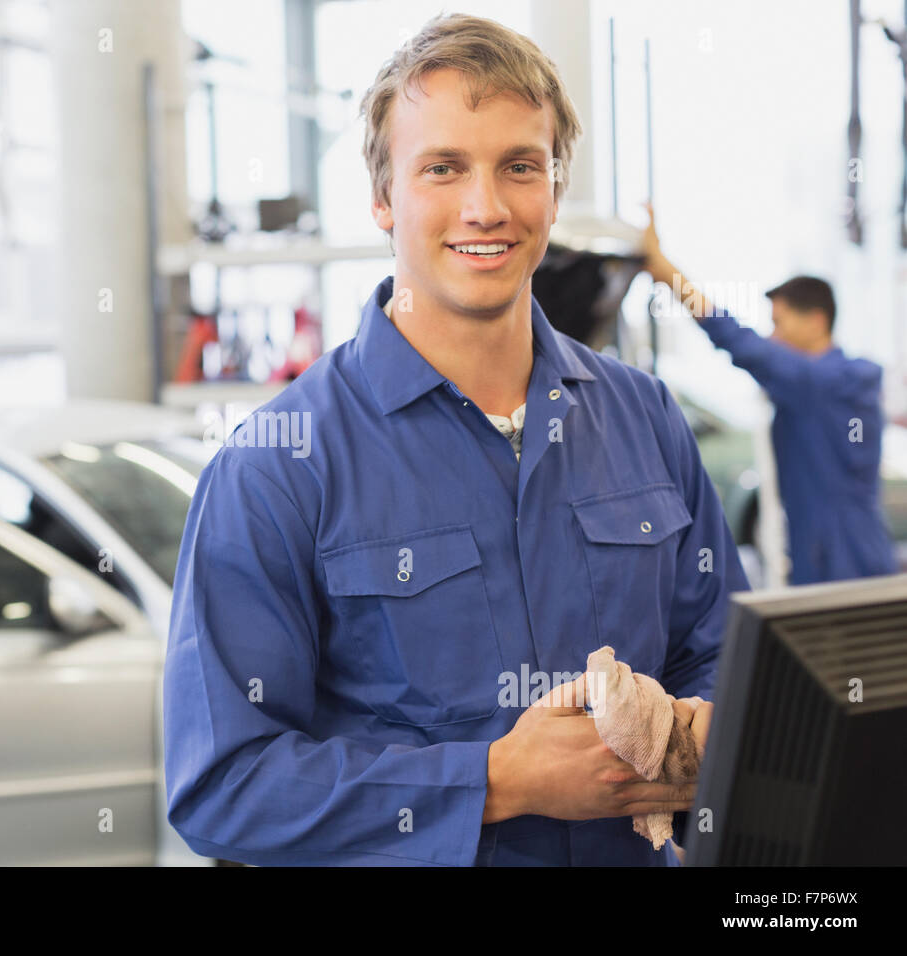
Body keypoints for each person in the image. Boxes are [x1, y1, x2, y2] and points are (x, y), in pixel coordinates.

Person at [163, 13, 747, 867]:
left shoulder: (645, 419)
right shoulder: (278, 464)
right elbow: (224, 786)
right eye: (443, 168)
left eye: (520, 166)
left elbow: (726, 655)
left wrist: (699, 730)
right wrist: (498, 780)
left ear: (554, 186)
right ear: (382, 197)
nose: (488, 206)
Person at [641, 209, 898, 585]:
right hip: (853, 552)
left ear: (816, 322)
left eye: (778, 323)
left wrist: (667, 275)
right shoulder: (841, 381)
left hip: (837, 563)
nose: (772, 337)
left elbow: (738, 341)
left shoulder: (819, 382)